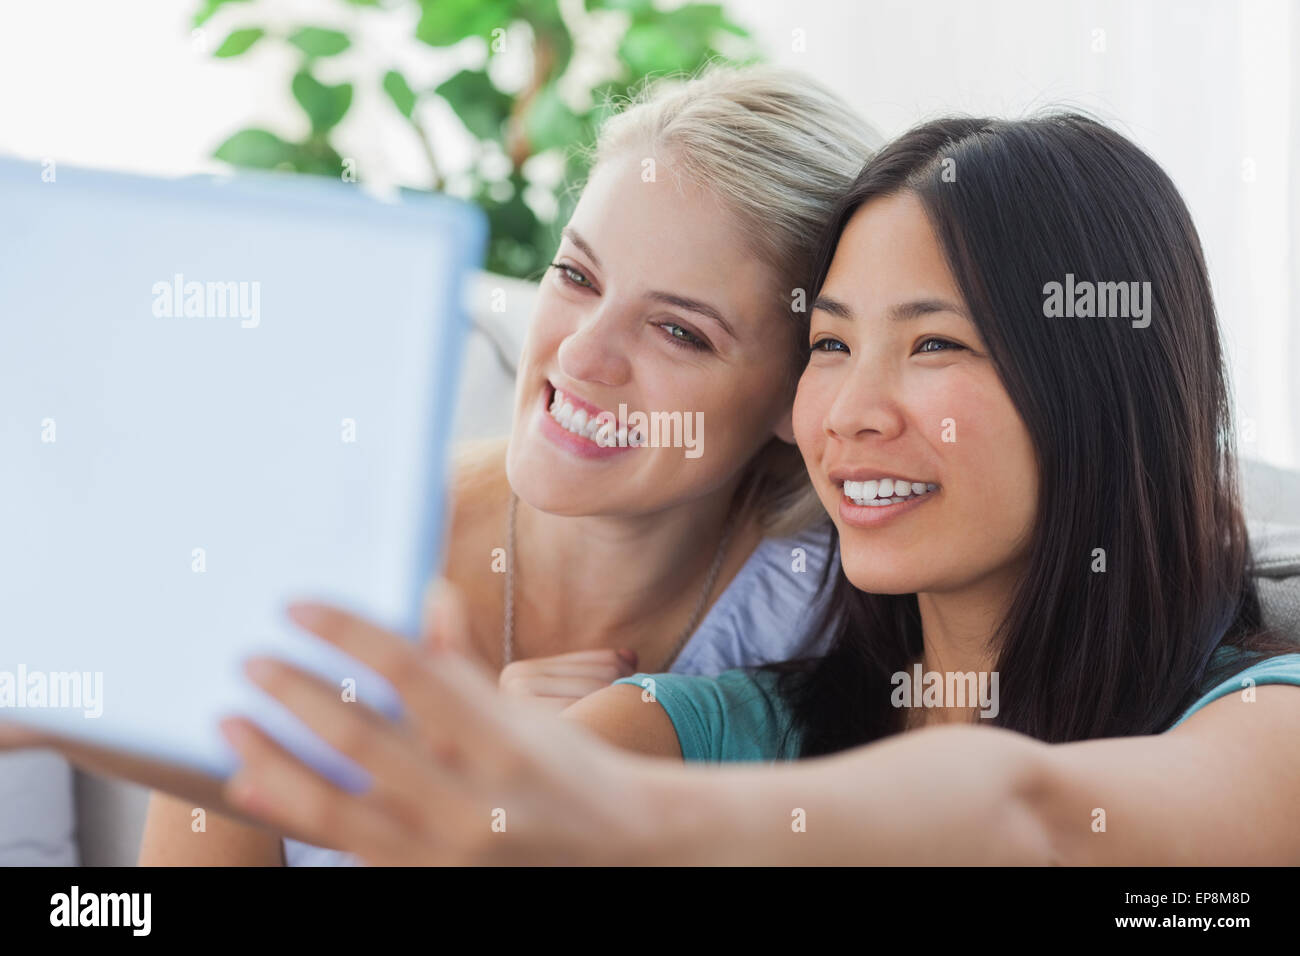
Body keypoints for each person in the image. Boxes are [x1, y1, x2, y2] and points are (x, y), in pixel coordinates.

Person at [213, 114, 1300, 864]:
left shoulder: (1264, 724)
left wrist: (613, 816)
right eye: (829, 345)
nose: (853, 410)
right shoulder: (713, 724)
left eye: (932, 345)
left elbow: (1033, 818)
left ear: (1099, 389)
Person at [126, 64, 880, 864]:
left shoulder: (840, 608)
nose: (582, 355)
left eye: (680, 332)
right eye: (577, 276)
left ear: (801, 388)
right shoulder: (314, 558)